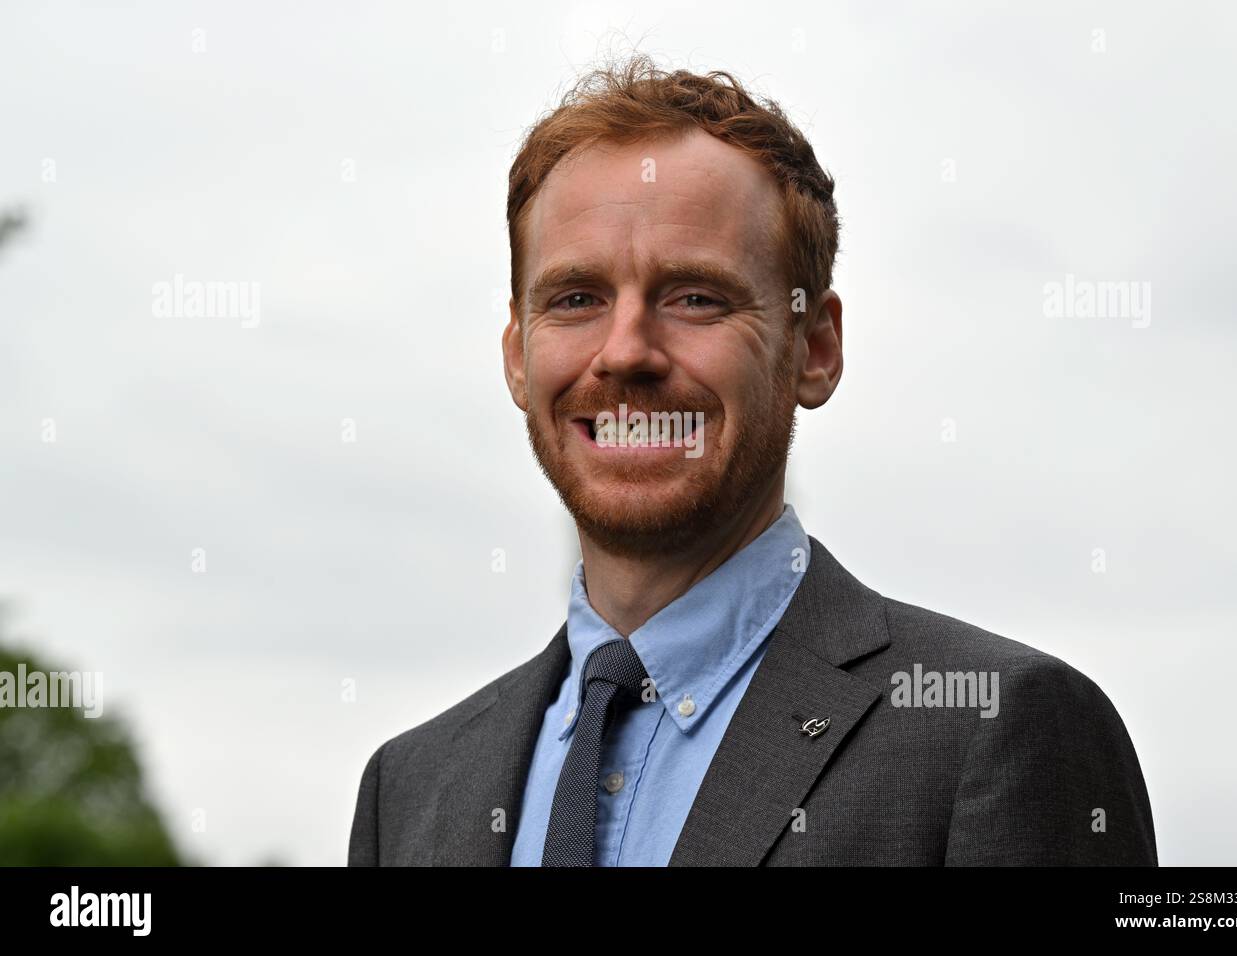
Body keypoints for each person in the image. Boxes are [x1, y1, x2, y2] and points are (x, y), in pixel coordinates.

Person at [347, 55, 1157, 866]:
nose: (624, 351)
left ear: (815, 348)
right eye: (576, 299)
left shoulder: (993, 727)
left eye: (696, 297)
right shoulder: (407, 792)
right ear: (517, 357)